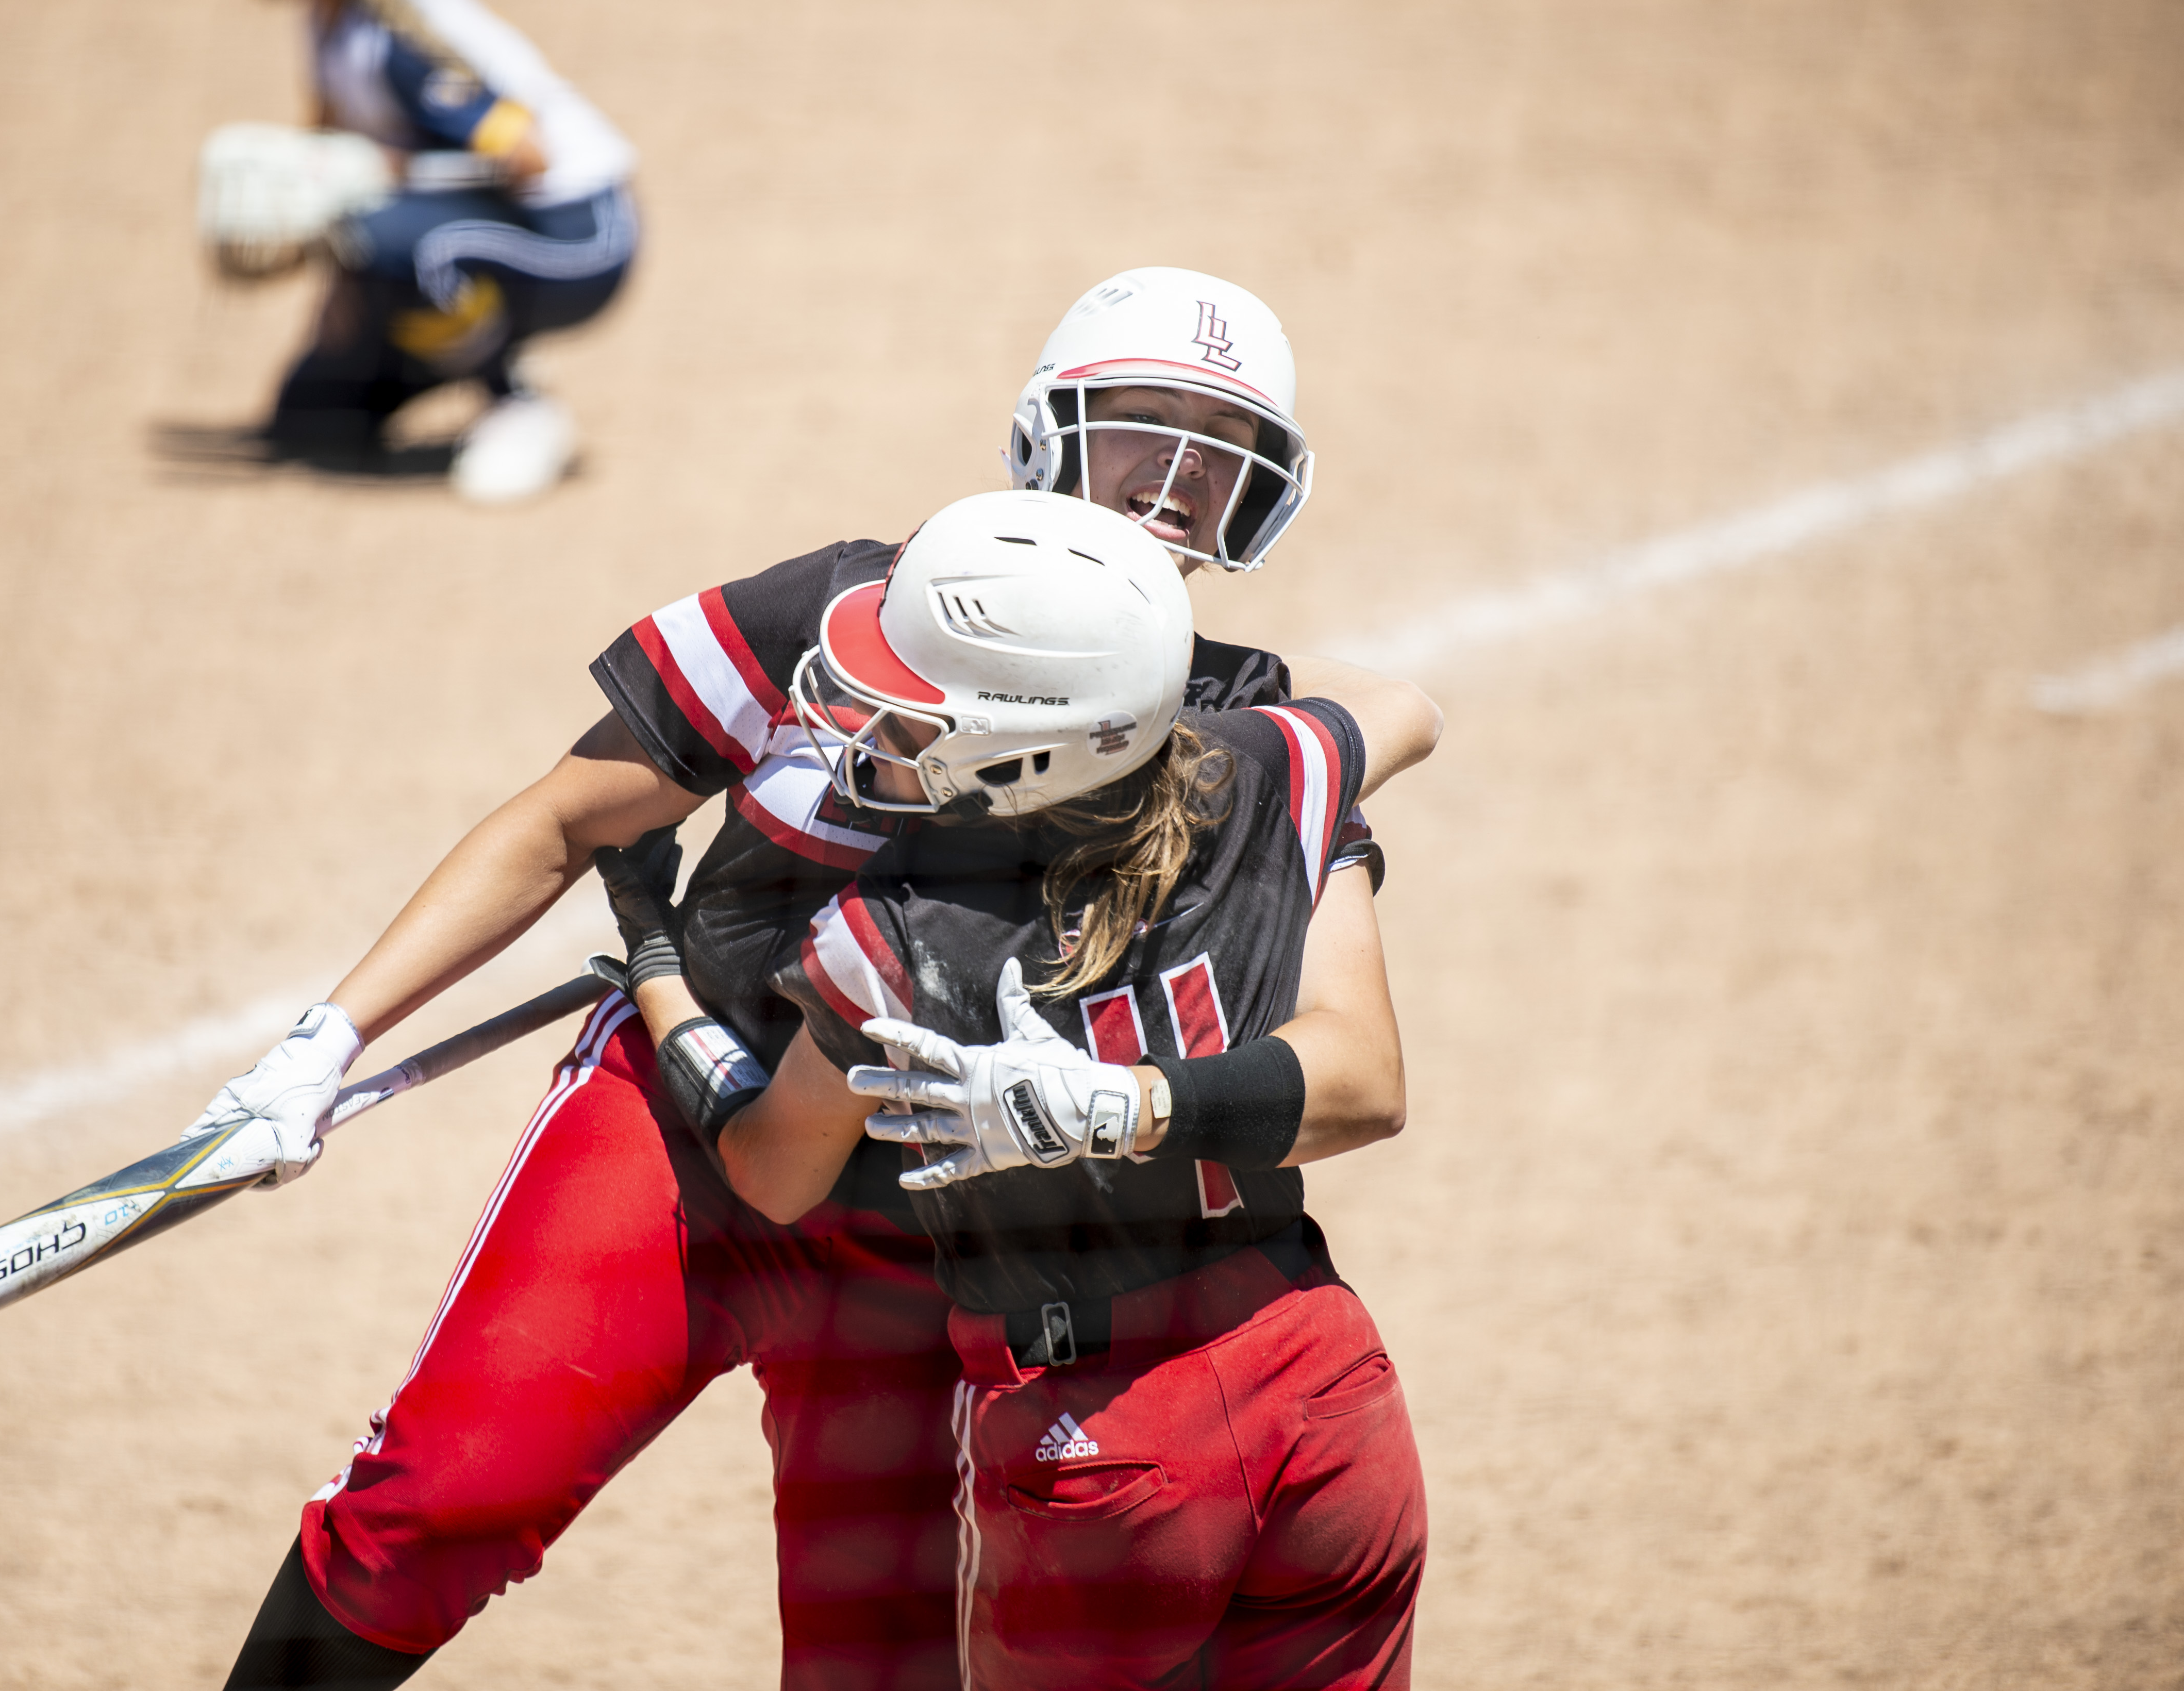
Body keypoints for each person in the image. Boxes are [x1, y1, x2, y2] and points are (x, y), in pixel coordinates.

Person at [196, 269, 1441, 1689]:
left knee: (878, 1669)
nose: (1169, 485)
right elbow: (559, 824)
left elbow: (1361, 985)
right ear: (1051, 436)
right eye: (1138, 429)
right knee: (440, 1503)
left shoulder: (1235, 731)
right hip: (681, 1149)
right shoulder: (851, 608)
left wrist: (661, 960)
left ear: (1260, 495)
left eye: (1214, 454)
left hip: (936, 1252)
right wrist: (324, 1039)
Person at [614, 492, 1424, 1686]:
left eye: (913, 711)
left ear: (1025, 745)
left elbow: (772, 1170)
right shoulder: (1271, 771)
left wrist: (658, 966)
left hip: (1101, 1449)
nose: (871, 731)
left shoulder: (888, 938)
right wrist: (1134, 656)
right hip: (1324, 1391)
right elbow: (1408, 714)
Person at [263, 0, 638, 502]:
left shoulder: (399, 31)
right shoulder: (325, 22)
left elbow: (528, 155)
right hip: (474, 227)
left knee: (394, 238)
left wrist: (385, 172)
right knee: (312, 417)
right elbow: (340, 151)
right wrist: (341, 279)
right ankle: (480, 344)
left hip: (579, 235)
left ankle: (517, 405)